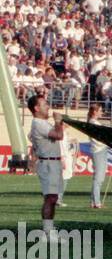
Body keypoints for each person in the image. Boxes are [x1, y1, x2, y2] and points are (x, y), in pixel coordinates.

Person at [28, 94, 64, 238]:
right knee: (50, 198)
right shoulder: (39, 123)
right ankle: (48, 232)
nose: (48, 106)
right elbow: (59, 135)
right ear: (36, 108)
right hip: (48, 163)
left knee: (53, 198)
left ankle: (49, 229)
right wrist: (58, 122)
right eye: (44, 104)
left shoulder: (41, 123)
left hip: (52, 162)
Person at [86, 102, 110, 210]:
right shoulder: (93, 123)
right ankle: (96, 202)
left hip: (101, 150)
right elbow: (99, 139)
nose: (101, 112)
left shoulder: (94, 122)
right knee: (98, 178)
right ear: (95, 111)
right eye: (100, 110)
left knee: (99, 177)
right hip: (98, 150)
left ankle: (93, 201)